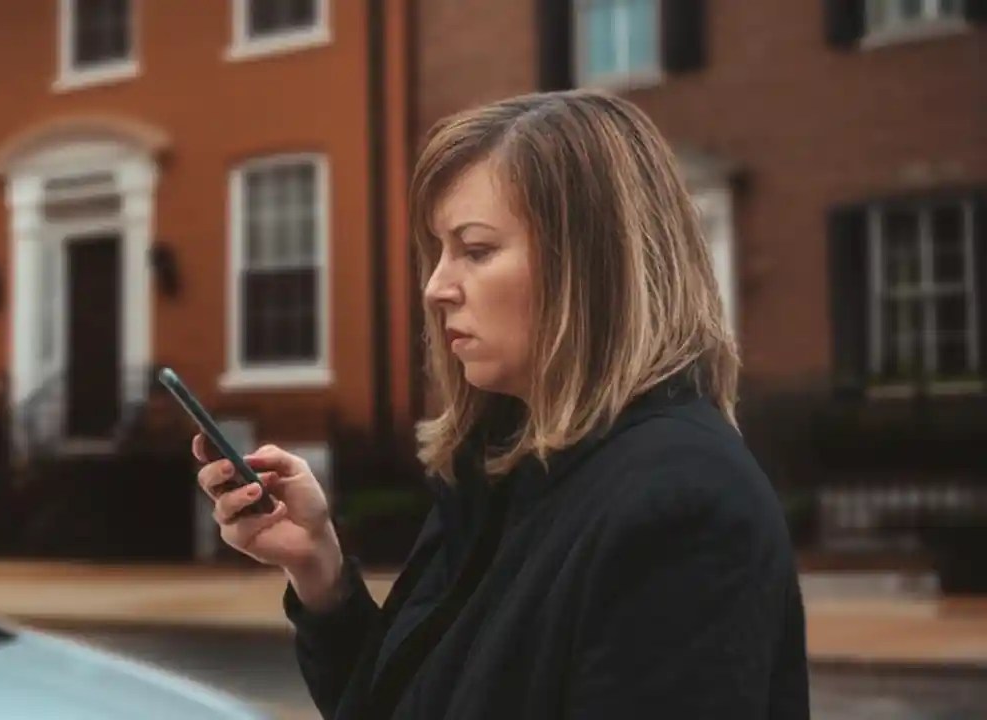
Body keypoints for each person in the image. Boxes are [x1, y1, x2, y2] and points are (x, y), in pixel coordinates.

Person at [192, 89, 809, 719]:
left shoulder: (684, 505)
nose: (436, 287)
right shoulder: (500, 471)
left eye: (476, 250)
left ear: (589, 264)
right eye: (438, 251)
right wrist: (320, 573)